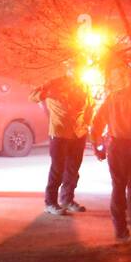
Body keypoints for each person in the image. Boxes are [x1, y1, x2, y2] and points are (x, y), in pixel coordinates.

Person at [30, 56, 95, 215]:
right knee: (57, 169)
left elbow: (90, 106)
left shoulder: (84, 86)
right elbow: (33, 96)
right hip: (59, 133)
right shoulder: (55, 84)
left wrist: (86, 123)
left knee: (73, 170)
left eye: (79, 68)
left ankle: (67, 199)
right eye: (74, 68)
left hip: (78, 133)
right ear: (68, 69)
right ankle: (50, 203)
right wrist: (46, 92)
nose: (77, 71)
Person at [90, 64, 131, 242]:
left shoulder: (113, 98)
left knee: (118, 187)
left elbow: (96, 124)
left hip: (116, 147)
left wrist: (97, 146)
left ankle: (120, 231)